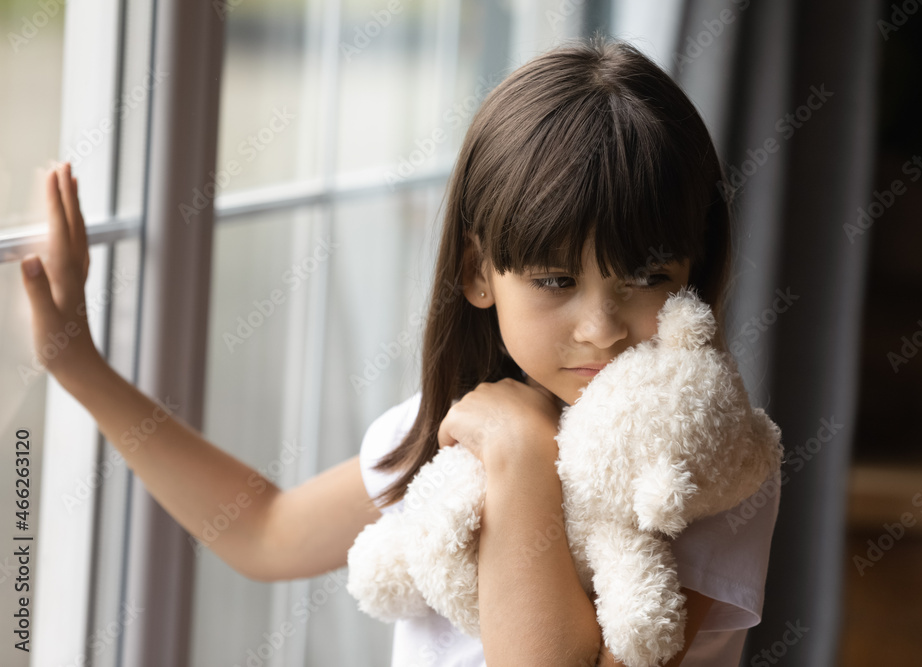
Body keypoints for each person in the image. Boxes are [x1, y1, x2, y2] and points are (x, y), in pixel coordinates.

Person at [20, 35, 779, 667]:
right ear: (478, 272)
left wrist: (520, 455)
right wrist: (78, 365)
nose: (601, 327)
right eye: (555, 280)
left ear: (693, 272)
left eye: (647, 277)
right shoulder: (457, 426)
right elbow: (263, 532)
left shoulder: (706, 465)